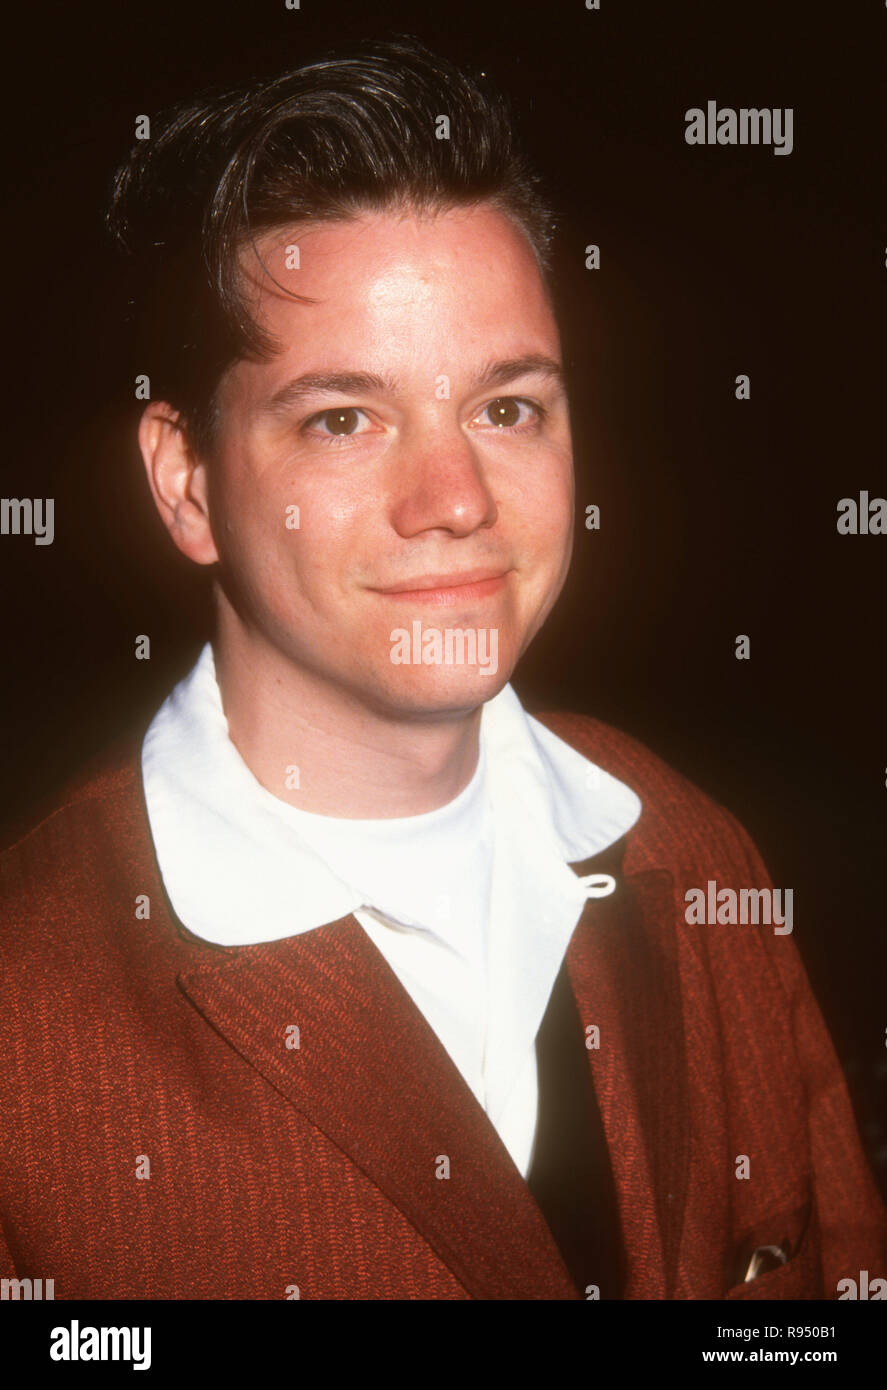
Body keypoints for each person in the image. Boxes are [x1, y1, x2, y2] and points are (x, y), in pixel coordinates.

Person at [0, 37, 884, 1302]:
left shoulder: (695, 856)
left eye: (504, 406)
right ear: (186, 483)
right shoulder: (24, 1030)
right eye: (342, 419)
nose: (455, 499)